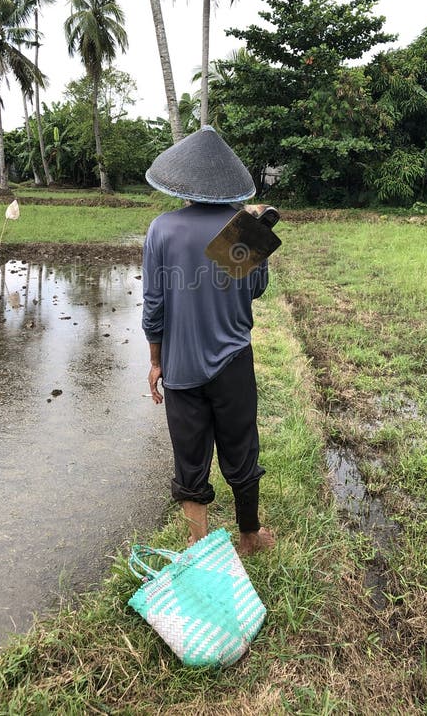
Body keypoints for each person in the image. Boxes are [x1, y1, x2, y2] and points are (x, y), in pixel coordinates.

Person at [142, 126, 275, 555]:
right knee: (241, 447)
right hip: (233, 360)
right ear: (225, 183)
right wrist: (249, 228)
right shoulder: (243, 229)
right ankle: (250, 537)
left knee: (190, 457)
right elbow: (255, 290)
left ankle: (197, 548)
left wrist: (156, 360)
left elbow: (154, 305)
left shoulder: (161, 229)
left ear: (182, 181)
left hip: (181, 366)